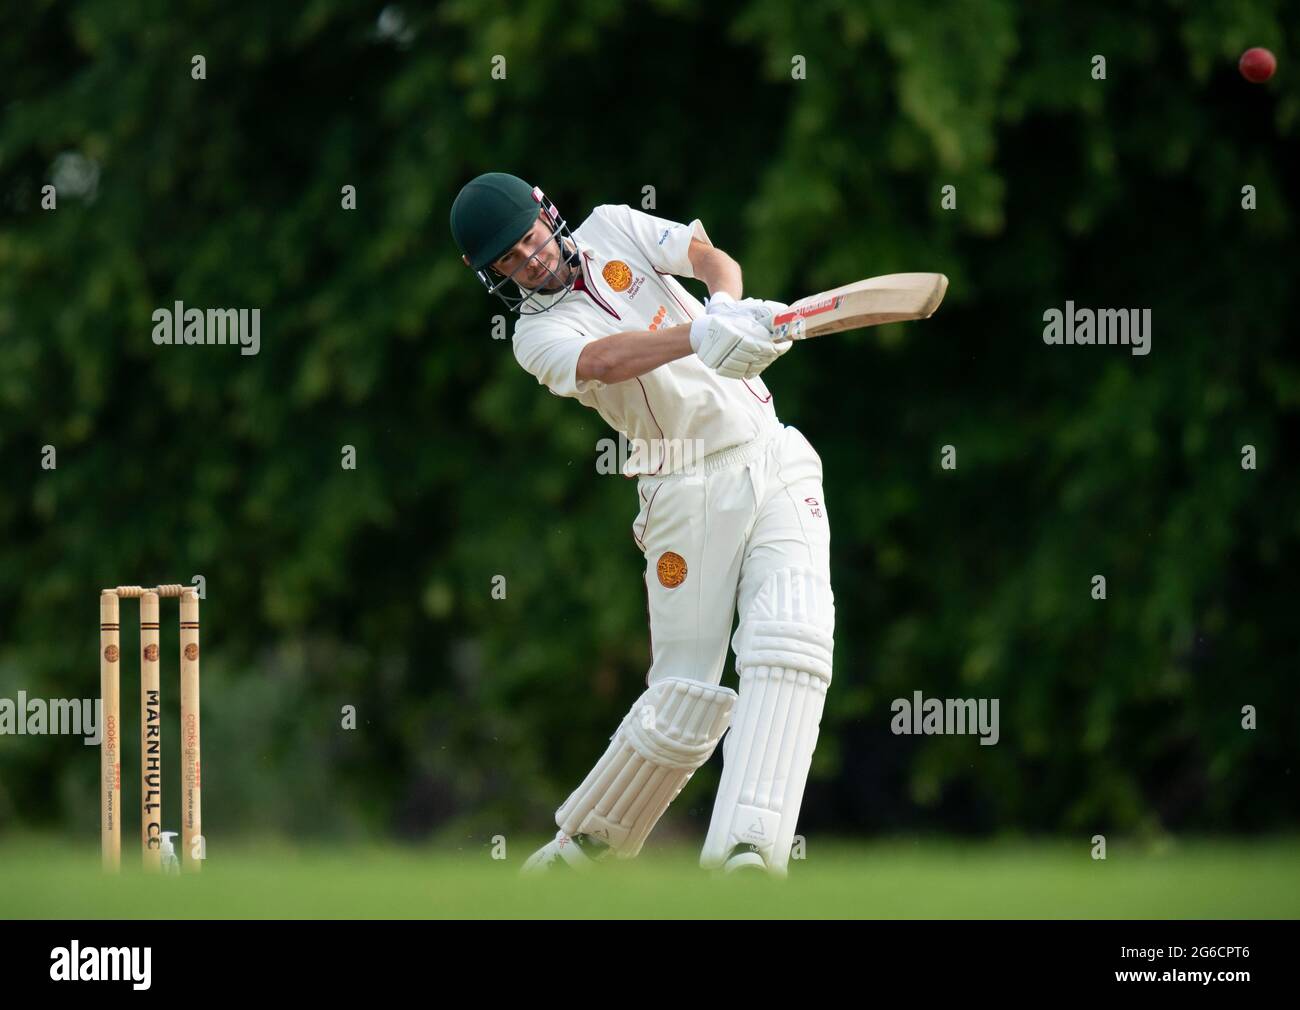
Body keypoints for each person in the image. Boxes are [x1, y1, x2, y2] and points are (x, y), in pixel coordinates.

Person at [450, 173, 835, 876]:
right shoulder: (535, 335)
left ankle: (749, 851)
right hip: (684, 491)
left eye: (527, 240)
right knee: (685, 697)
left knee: (793, 638)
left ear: (547, 214)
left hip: (774, 452)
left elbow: (707, 257)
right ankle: (583, 848)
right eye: (506, 260)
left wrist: (727, 305)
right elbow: (603, 359)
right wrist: (700, 334)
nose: (526, 260)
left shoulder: (613, 226)